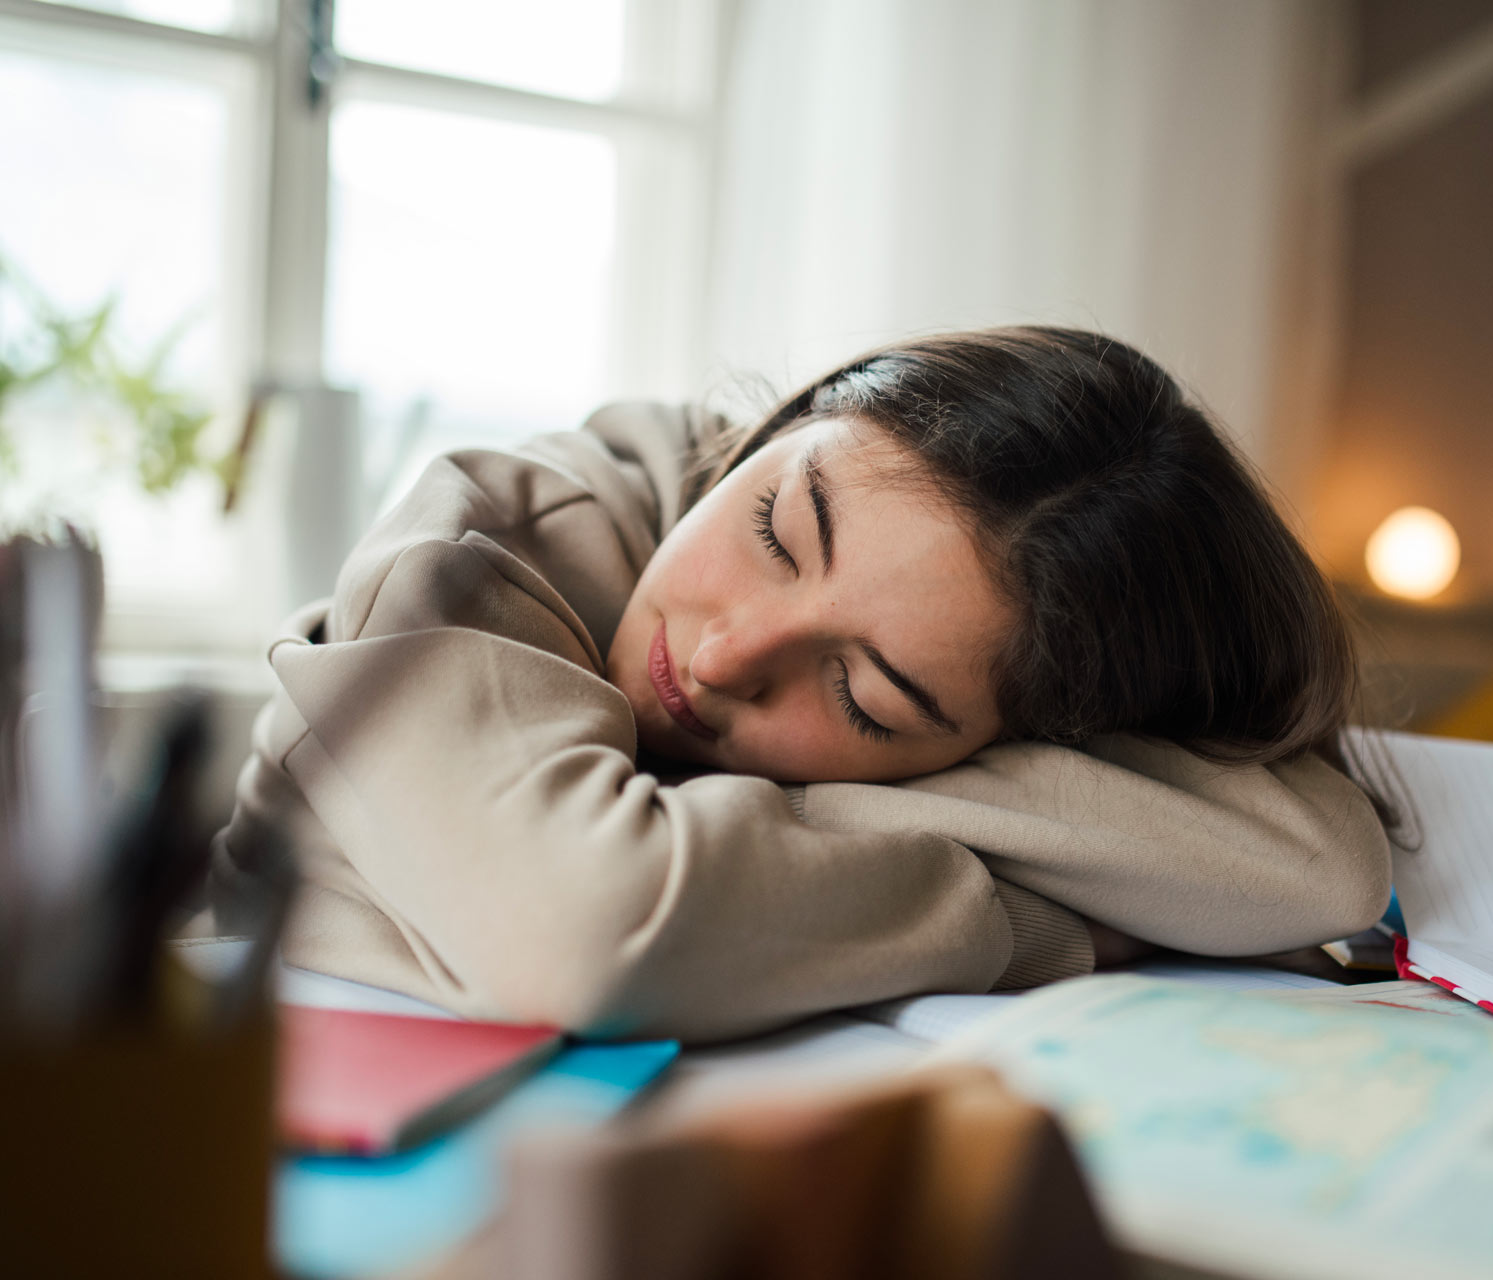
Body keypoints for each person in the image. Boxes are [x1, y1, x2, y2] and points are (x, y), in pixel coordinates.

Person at [210, 327, 1390, 1042]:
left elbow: (1320, 862)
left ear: (999, 748)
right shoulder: (485, 542)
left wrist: (758, 871)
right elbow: (592, 925)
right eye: (778, 527)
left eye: (868, 698)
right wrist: (1045, 920)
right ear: (785, 425)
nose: (723, 658)